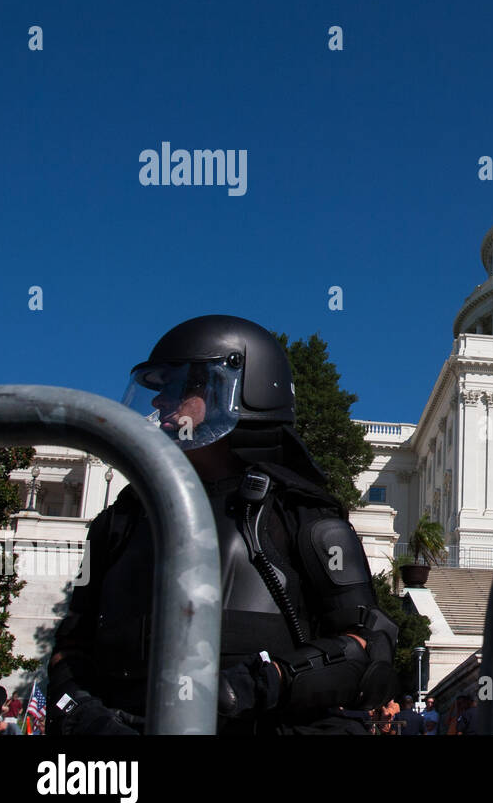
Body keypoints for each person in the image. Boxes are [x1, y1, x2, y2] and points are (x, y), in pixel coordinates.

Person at [46, 315, 400, 735]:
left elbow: (369, 647)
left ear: (239, 390)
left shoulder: (300, 515)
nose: (160, 403)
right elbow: (69, 648)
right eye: (157, 389)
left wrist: (254, 685)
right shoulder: (117, 523)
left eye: (181, 385)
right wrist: (89, 719)